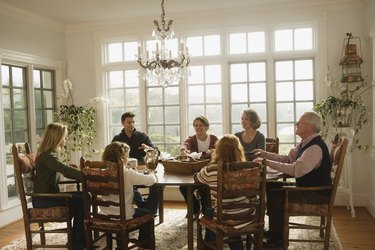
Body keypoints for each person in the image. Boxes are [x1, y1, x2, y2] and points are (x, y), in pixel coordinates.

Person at [252, 111, 332, 248]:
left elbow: (296, 170)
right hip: (308, 189)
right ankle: (275, 231)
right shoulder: (305, 143)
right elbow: (288, 159)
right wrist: (266, 154)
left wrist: (267, 162)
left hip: (315, 194)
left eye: (299, 122)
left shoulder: (315, 147)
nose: (296, 124)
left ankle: (278, 240)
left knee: (275, 194)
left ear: (310, 127)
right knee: (271, 185)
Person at [33, 123, 85, 250]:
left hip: (46, 198)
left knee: (83, 198)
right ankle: (78, 244)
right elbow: (64, 170)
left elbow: (62, 168)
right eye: (64, 137)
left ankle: (76, 242)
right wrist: (87, 175)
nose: (65, 140)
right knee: (84, 199)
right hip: (44, 200)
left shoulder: (48, 155)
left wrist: (72, 170)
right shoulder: (48, 156)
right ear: (57, 138)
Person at [194, 134, 248, 250]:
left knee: (209, 211)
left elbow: (197, 178)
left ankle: (210, 244)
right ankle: (234, 243)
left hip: (223, 216)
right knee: (227, 211)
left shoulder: (212, 169)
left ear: (218, 150)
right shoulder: (246, 169)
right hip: (245, 215)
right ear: (238, 150)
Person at [101, 141, 157, 249]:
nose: (128, 159)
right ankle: (142, 246)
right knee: (148, 215)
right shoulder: (126, 173)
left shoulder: (102, 172)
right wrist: (152, 173)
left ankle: (120, 246)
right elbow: (150, 181)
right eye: (127, 156)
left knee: (130, 210)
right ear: (121, 158)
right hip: (123, 216)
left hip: (105, 214)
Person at [112, 111, 160, 216]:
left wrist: (148, 148)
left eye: (133, 122)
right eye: (129, 122)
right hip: (126, 170)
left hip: (143, 168)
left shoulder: (142, 136)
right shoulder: (117, 139)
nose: (132, 124)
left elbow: (157, 151)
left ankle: (149, 210)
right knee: (130, 186)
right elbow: (111, 156)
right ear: (122, 123)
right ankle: (146, 209)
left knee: (156, 185)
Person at [179, 116, 219, 219]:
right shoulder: (192, 139)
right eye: (196, 125)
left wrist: (212, 153)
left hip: (209, 172)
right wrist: (183, 150)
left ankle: (206, 213)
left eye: (201, 125)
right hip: (194, 172)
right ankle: (195, 209)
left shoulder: (213, 139)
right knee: (183, 187)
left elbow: (219, 152)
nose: (198, 127)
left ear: (206, 127)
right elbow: (185, 145)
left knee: (204, 187)